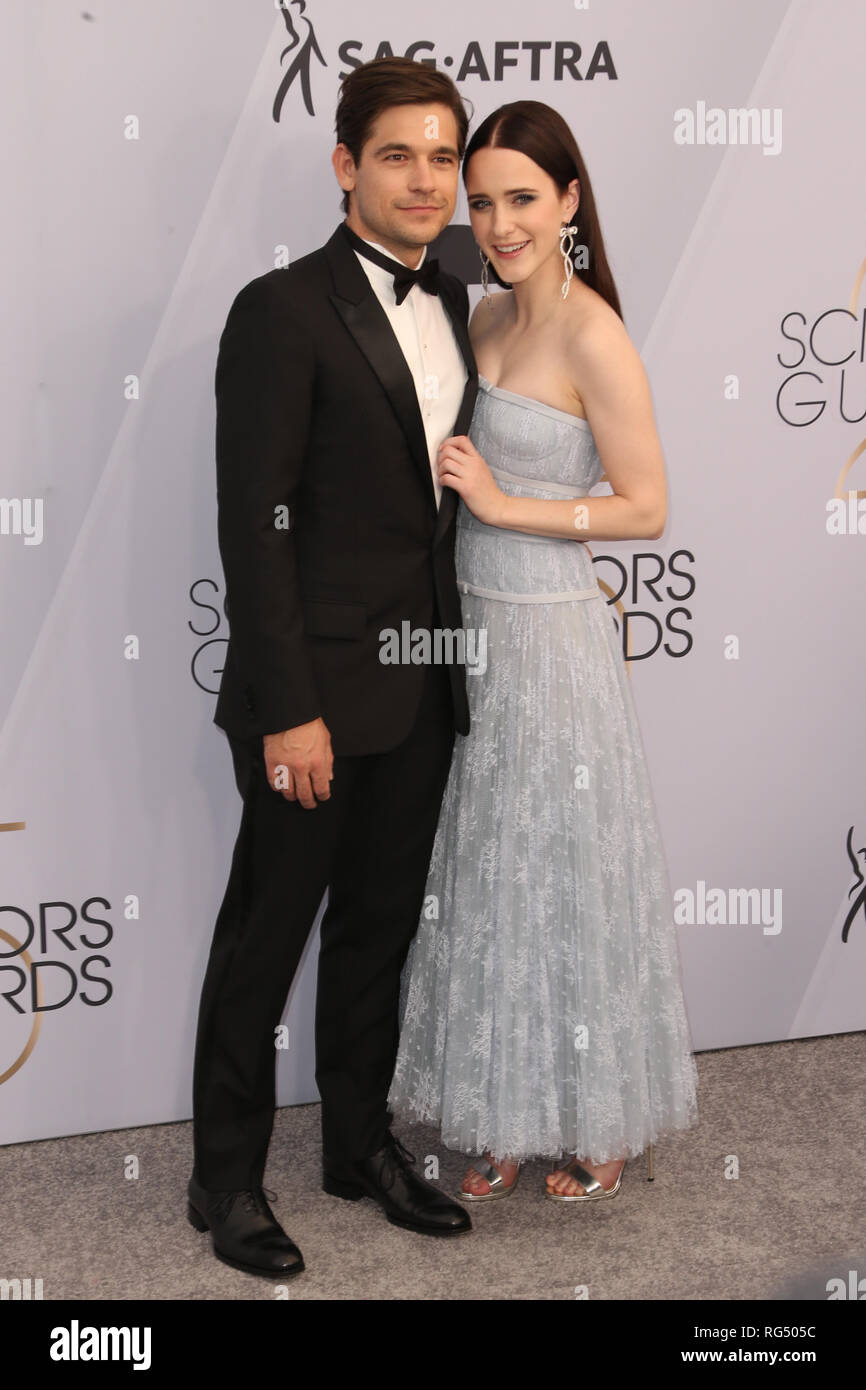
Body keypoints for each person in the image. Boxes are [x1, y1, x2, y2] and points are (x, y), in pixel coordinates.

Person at [188, 57, 480, 1279]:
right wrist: (290, 710)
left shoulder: (457, 298)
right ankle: (226, 1184)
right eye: (398, 156)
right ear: (345, 165)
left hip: (418, 681)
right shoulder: (280, 309)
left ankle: (356, 1145)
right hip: (310, 699)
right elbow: (252, 522)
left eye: (441, 158)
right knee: (266, 941)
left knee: (377, 934)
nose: (425, 181)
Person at [388, 100, 700, 1204]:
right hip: (471, 636)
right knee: (489, 876)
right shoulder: (478, 321)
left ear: (568, 201)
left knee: (565, 872)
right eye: (481, 201)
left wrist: (512, 504)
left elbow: (645, 507)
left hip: (552, 638)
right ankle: (510, 1112)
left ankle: (600, 1125)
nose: (499, 220)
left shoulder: (591, 333)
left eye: (521, 197)